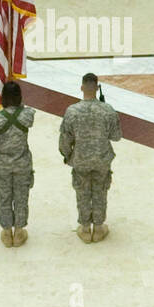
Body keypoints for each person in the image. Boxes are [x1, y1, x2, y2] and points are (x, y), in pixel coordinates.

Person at [59, 73, 122, 243]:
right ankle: (99, 228)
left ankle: (85, 229)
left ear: (81, 88)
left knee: (82, 191)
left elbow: (65, 139)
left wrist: (67, 155)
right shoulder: (107, 110)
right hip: (102, 158)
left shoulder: (71, 111)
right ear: (97, 88)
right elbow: (116, 136)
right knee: (100, 190)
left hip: (80, 159)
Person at [0, 80, 36, 247]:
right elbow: (27, 111)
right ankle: (19, 232)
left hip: (2, 166)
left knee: (4, 198)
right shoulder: (28, 115)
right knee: (21, 197)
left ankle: (6, 232)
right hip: (22, 164)